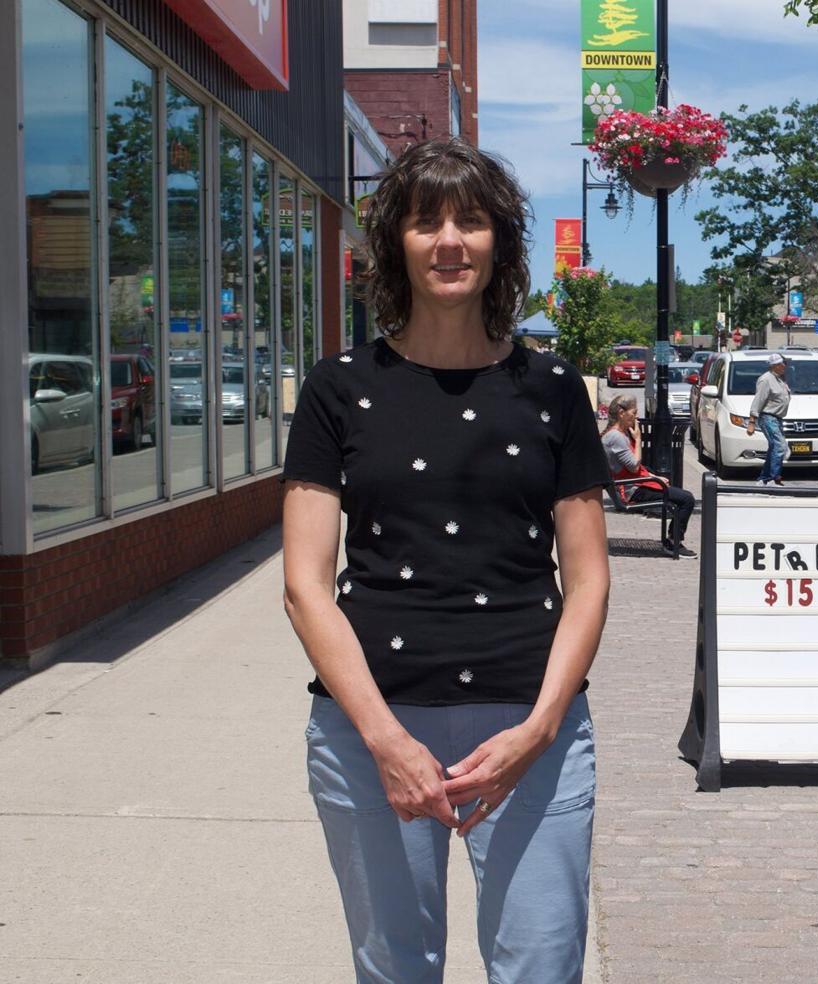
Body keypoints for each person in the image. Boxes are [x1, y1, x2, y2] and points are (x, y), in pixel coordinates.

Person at [280, 137, 610, 984]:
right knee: (395, 970)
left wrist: (538, 730)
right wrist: (384, 739)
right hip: (370, 729)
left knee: (541, 966)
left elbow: (588, 578)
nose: (450, 241)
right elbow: (305, 585)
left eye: (470, 220)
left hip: (529, 725)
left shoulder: (553, 388)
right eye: (427, 223)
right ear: (397, 242)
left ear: (501, 241)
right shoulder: (339, 389)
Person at [601, 394, 696, 558]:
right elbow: (634, 465)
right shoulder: (616, 437)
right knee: (686, 499)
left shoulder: (618, 435)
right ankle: (674, 542)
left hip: (634, 484)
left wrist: (654, 476)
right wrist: (638, 439)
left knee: (679, 496)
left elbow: (635, 467)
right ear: (621, 413)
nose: (636, 416)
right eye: (634, 412)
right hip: (631, 490)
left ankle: (672, 538)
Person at [746, 352, 791, 485]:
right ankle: (774, 478)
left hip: (777, 418)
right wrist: (752, 421)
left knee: (774, 448)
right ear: (774, 366)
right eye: (781, 364)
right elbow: (758, 401)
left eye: (784, 363)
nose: (784, 366)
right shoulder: (766, 379)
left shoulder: (780, 379)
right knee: (779, 446)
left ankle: (764, 478)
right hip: (768, 417)